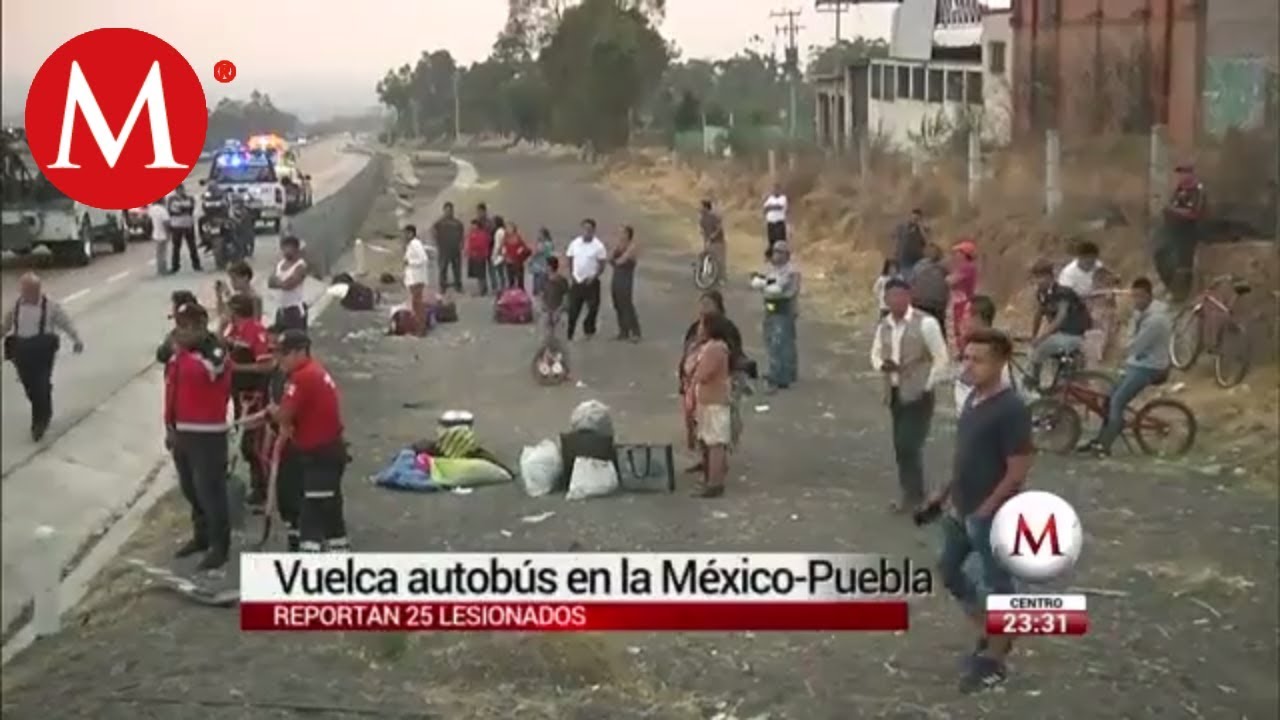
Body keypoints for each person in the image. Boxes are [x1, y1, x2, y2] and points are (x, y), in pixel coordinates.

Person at [917, 328, 1031, 693]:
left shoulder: (1012, 408)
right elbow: (964, 458)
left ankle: (995, 661)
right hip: (960, 509)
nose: (969, 365)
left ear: (1000, 363)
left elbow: (1018, 469)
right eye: (966, 357)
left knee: (999, 587)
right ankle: (987, 632)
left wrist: (986, 510)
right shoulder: (972, 399)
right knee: (949, 571)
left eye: (978, 359)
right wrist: (943, 493)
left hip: (991, 515)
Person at [870, 278, 948, 512]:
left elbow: (941, 358)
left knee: (908, 444)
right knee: (901, 445)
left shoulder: (926, 324)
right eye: (891, 296)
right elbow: (874, 353)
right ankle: (911, 492)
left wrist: (927, 385)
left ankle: (915, 496)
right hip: (894, 391)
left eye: (900, 295)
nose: (895, 300)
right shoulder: (884, 325)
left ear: (908, 296)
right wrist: (881, 365)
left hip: (919, 394)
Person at [163, 302, 232, 569]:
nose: (177, 332)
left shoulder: (213, 349)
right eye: (177, 326)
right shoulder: (179, 352)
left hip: (207, 433)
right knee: (190, 488)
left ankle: (219, 546)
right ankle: (201, 536)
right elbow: (171, 388)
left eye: (183, 326)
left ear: (200, 326)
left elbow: (210, 372)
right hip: (182, 430)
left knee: (210, 491)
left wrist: (182, 354)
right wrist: (169, 426)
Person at [273, 330, 349, 552]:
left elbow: (284, 416)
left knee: (311, 513)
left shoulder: (302, 378)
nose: (280, 360)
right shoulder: (315, 372)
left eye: (284, 354)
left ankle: (308, 565)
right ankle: (340, 553)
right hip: (328, 451)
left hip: (320, 455)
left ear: (300, 352)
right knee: (331, 508)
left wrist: (272, 412)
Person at [1083, 277, 1171, 456]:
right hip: (1137, 363)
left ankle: (1105, 446)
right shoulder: (1140, 313)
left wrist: (1124, 346)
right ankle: (1100, 438)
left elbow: (1136, 345)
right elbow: (1130, 339)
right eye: (1134, 296)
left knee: (1117, 402)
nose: (1136, 301)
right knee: (1108, 399)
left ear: (1149, 296)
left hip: (1150, 367)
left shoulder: (1156, 320)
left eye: (1140, 297)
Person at [3, 272, 84, 441]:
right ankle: (42, 403)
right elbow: (6, 325)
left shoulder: (50, 306)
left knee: (40, 383)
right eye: (23, 290)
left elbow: (65, 322)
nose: (25, 293)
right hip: (22, 351)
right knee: (29, 386)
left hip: (42, 351)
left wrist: (76, 339)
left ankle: (40, 421)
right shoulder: (17, 305)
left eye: (28, 290)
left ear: (37, 289)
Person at [680, 290, 747, 470]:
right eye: (702, 304)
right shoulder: (695, 328)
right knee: (698, 428)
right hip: (696, 389)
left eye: (708, 304)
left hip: (716, 388)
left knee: (715, 433)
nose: (703, 309)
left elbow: (734, 355)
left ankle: (716, 468)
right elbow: (686, 352)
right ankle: (706, 461)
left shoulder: (724, 332)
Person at [223, 293, 273, 509]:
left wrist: (238, 368)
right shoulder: (235, 330)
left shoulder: (256, 332)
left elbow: (266, 365)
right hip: (239, 393)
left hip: (255, 394)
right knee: (245, 443)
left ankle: (264, 488)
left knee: (253, 444)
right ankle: (258, 485)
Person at [686, 314, 734, 498]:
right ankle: (710, 480)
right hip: (708, 401)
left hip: (714, 402)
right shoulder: (710, 348)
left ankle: (715, 483)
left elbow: (701, 373)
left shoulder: (715, 349)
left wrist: (694, 368)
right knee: (708, 441)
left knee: (715, 443)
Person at [1026, 259, 1091, 389]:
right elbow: (1038, 314)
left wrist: (1041, 337)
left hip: (1074, 334)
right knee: (1035, 350)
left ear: (1050, 276)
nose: (1038, 281)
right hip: (1060, 334)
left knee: (1040, 349)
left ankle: (1032, 385)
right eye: (1035, 278)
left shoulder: (1063, 293)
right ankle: (1047, 386)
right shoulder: (1042, 293)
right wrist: (1033, 335)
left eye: (1041, 277)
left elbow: (1061, 317)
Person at [750, 242, 800, 391]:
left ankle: (780, 375)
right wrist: (762, 283)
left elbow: (778, 289)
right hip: (771, 308)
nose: (776, 255)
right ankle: (784, 371)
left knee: (780, 342)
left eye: (780, 252)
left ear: (787, 255)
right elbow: (757, 281)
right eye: (775, 252)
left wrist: (764, 284)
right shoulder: (771, 268)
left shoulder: (791, 271)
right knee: (773, 339)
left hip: (784, 308)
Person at [1154, 164, 1206, 302]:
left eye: (1184, 173)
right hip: (1172, 231)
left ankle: (1182, 293)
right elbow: (1172, 206)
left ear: (1191, 174)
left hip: (1189, 231)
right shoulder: (1179, 190)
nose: (1181, 176)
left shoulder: (1197, 190)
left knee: (1184, 262)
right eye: (1179, 173)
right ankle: (1171, 287)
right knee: (1160, 255)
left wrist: (1172, 210)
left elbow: (1194, 213)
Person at [953, 295, 1012, 410]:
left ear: (978, 318)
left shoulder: (993, 350)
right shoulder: (969, 345)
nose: (962, 318)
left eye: (966, 314)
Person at [564, 218, 609, 341]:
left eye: (589, 229)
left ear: (593, 231)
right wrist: (572, 274)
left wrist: (594, 276)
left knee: (593, 308)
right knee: (573, 309)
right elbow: (570, 258)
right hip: (577, 280)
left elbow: (602, 264)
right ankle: (570, 333)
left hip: (591, 282)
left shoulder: (598, 246)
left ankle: (588, 329)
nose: (586, 232)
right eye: (584, 229)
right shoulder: (575, 243)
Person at [268, 235, 309, 331]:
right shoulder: (280, 264)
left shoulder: (300, 266)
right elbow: (270, 282)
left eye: (288, 248)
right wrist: (282, 283)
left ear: (295, 249)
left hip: (294, 309)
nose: (285, 251)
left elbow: (289, 285)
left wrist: (279, 282)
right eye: (283, 248)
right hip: (281, 309)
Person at [609, 225, 641, 342]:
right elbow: (610, 258)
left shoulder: (632, 247)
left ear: (628, 234)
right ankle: (623, 331)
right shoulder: (619, 246)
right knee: (617, 304)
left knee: (626, 304)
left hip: (626, 279)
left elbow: (620, 261)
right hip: (616, 277)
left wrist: (614, 260)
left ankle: (635, 331)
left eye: (622, 233)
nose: (620, 235)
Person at [910, 243, 950, 339]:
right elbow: (912, 283)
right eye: (930, 250)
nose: (932, 253)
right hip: (921, 303)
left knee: (938, 331)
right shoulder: (919, 265)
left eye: (934, 250)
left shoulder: (944, 266)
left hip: (937, 305)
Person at [215, 261, 263, 332]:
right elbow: (222, 313)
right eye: (231, 279)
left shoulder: (254, 298)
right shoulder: (236, 296)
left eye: (234, 279)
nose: (232, 282)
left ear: (245, 277)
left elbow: (256, 322)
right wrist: (219, 296)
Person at [948, 239, 978, 351]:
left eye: (958, 253)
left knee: (961, 328)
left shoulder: (967, 267)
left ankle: (964, 350)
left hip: (964, 301)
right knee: (958, 327)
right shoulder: (964, 267)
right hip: (959, 300)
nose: (956, 256)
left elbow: (951, 281)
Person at [402, 224, 431, 336]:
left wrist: (410, 263)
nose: (404, 236)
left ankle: (421, 329)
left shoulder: (415, 244)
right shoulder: (411, 245)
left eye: (406, 233)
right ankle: (419, 327)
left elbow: (423, 259)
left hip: (417, 278)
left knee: (418, 304)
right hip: (413, 278)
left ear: (411, 233)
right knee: (416, 304)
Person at [432, 201, 465, 293]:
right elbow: (433, 232)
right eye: (446, 210)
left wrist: (461, 244)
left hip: (455, 249)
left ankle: (458, 285)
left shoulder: (458, 223)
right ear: (444, 210)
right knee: (443, 269)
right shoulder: (439, 223)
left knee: (457, 269)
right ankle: (443, 286)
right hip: (444, 250)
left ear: (453, 211)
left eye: (450, 210)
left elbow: (462, 235)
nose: (448, 212)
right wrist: (437, 242)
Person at [166, 183, 201, 272]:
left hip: (188, 224)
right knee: (176, 247)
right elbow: (171, 210)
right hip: (176, 225)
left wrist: (180, 207)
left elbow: (191, 208)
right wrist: (183, 207)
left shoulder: (189, 198)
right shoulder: (171, 199)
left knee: (192, 246)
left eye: (181, 189)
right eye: (178, 190)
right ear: (176, 191)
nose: (180, 191)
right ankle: (175, 266)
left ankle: (196, 265)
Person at [699, 199, 727, 283]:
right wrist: (705, 238)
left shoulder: (713, 217)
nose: (700, 209)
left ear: (706, 208)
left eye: (702, 207)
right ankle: (708, 274)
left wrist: (713, 235)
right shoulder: (702, 219)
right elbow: (703, 230)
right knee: (705, 257)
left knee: (719, 260)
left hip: (718, 241)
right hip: (708, 241)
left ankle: (722, 278)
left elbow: (719, 227)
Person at [541, 256, 570, 338]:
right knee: (547, 336)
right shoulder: (544, 279)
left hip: (558, 311)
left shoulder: (560, 280)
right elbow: (543, 294)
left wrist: (560, 310)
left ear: (549, 267)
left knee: (558, 336)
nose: (544, 268)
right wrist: (543, 307)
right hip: (547, 311)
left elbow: (566, 296)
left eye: (545, 265)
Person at [894, 208, 928, 275]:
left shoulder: (921, 230)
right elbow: (899, 240)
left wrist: (921, 229)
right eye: (914, 218)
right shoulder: (903, 227)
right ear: (910, 217)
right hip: (905, 258)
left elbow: (925, 243)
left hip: (917, 259)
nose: (915, 220)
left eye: (917, 219)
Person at [501, 221, 531, 290]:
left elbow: (523, 247)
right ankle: (511, 293)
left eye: (509, 228)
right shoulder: (505, 238)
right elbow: (503, 249)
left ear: (514, 229)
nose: (507, 229)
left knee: (519, 280)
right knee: (510, 279)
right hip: (509, 262)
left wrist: (519, 253)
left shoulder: (518, 238)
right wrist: (505, 256)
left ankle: (520, 292)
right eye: (507, 228)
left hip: (517, 262)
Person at [762, 183, 788, 258]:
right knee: (771, 240)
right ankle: (771, 256)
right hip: (771, 222)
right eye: (774, 189)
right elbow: (765, 208)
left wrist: (770, 207)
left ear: (780, 190)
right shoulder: (770, 198)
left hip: (779, 222)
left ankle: (783, 257)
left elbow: (780, 207)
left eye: (777, 189)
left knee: (780, 240)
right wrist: (771, 207)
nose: (775, 191)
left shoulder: (783, 198)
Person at [147, 196, 171, 275]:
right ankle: (163, 269)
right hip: (163, 234)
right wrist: (168, 233)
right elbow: (166, 223)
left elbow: (149, 221)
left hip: (156, 234)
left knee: (158, 253)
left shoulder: (152, 209)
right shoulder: (163, 210)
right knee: (163, 253)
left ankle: (159, 269)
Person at [530, 227, 556, 296]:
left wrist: (532, 257)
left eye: (540, 234)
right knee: (538, 284)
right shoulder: (546, 243)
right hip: (539, 266)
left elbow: (539, 252)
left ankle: (541, 299)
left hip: (541, 266)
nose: (538, 236)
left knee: (540, 285)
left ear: (544, 235)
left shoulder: (546, 244)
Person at [489, 216, 508, 293]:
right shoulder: (504, 230)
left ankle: (497, 288)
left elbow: (497, 245)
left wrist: (494, 255)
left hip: (498, 254)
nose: (492, 224)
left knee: (494, 271)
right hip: (503, 254)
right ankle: (503, 286)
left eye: (493, 222)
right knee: (501, 272)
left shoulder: (498, 232)